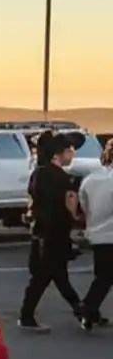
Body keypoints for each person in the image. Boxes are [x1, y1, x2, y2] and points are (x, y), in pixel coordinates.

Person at [19, 131, 83, 332]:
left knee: (52, 277)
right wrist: (77, 217)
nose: (72, 154)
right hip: (54, 234)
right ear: (58, 154)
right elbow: (68, 207)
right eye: (69, 150)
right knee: (46, 277)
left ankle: (84, 311)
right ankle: (84, 311)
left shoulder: (38, 174)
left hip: (42, 232)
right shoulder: (61, 178)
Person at [78, 138, 113, 330]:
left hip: (97, 233)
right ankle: (88, 307)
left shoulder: (91, 179)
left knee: (103, 275)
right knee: (105, 277)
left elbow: (84, 206)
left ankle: (90, 312)